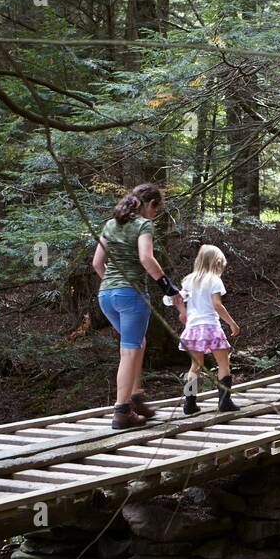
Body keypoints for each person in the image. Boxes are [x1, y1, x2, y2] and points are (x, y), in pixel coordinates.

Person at [92, 183, 187, 428]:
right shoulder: (144, 225)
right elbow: (146, 258)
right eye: (156, 209)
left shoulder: (110, 224)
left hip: (106, 295)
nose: (155, 214)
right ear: (150, 204)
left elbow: (97, 264)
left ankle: (135, 397)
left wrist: (113, 285)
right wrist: (169, 288)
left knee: (137, 343)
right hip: (131, 295)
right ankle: (122, 411)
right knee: (129, 351)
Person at [173, 244, 242, 415]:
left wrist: (182, 313)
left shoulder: (188, 280)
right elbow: (217, 305)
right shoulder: (214, 280)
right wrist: (232, 323)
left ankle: (189, 403)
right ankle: (224, 402)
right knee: (223, 364)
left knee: (195, 367)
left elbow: (177, 299)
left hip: (193, 329)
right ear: (217, 262)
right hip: (210, 327)